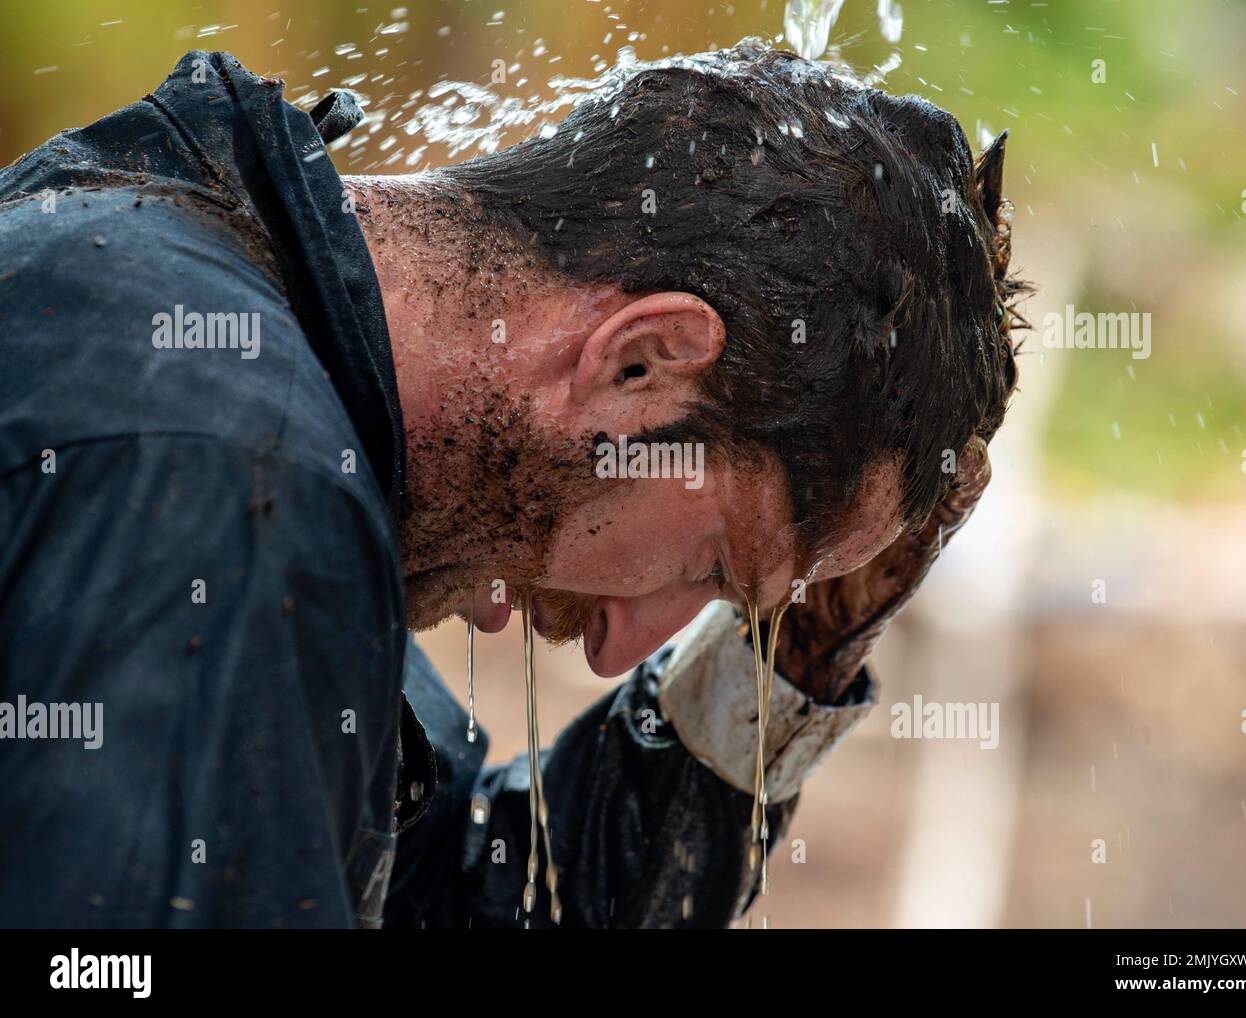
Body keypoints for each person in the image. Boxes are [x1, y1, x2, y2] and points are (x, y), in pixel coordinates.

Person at [0, 40, 1021, 928]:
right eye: (711, 564)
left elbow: (440, 899)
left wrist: (784, 672)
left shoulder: (191, 288)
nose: (623, 644)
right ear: (643, 360)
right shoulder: (227, 477)